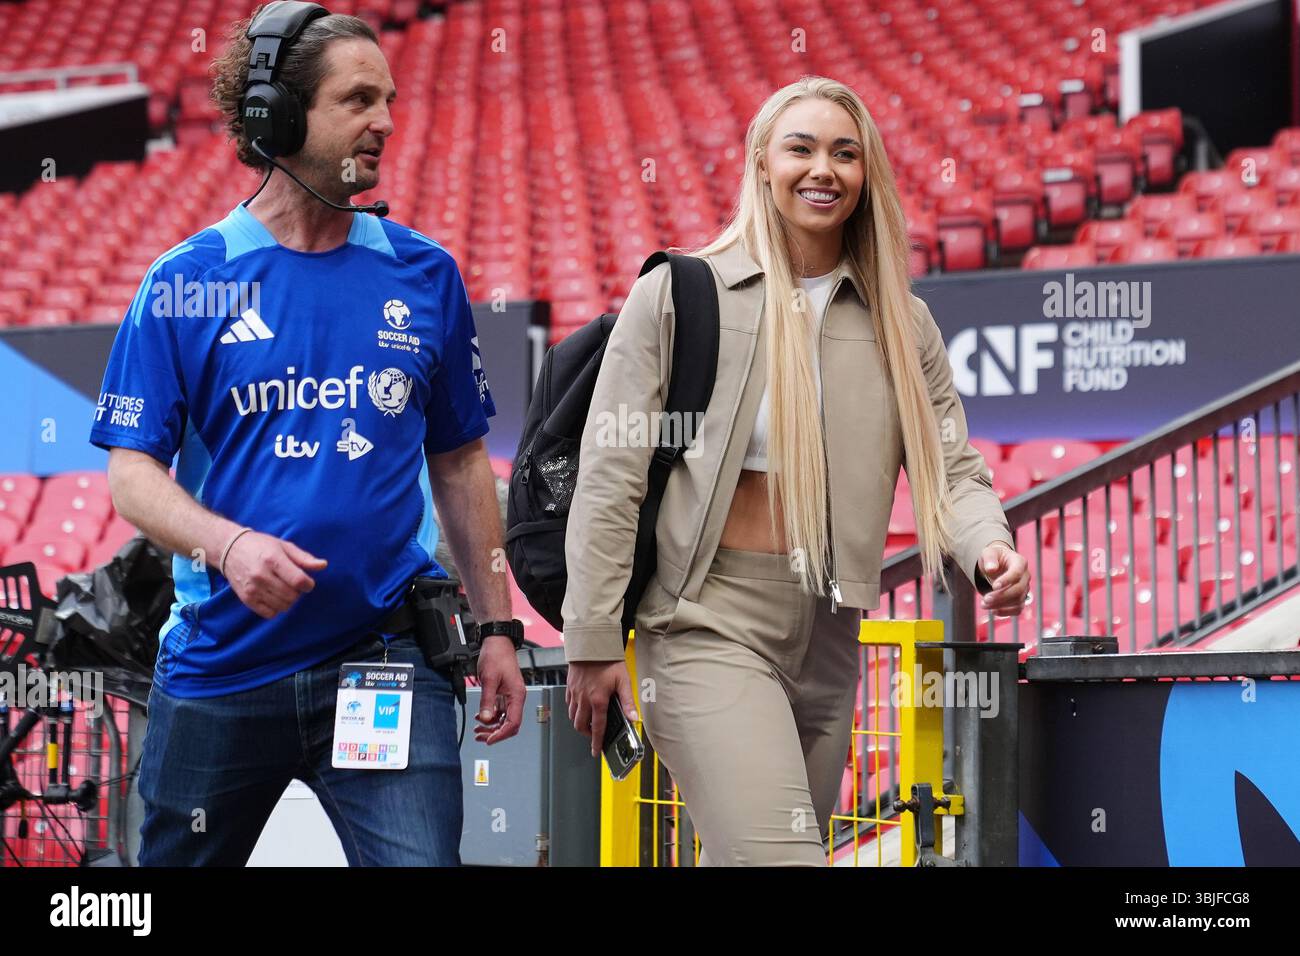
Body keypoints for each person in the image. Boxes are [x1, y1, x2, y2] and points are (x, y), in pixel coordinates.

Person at [89, 2, 526, 866]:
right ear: (278, 117)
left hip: (386, 657)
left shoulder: (424, 273)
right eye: (358, 100)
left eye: (390, 99)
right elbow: (132, 474)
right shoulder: (189, 281)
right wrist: (231, 546)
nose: (386, 123)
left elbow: (463, 460)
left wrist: (497, 626)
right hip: (220, 671)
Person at [561, 76, 1031, 866]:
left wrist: (989, 547)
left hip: (830, 631)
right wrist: (592, 638)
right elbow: (614, 475)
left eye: (846, 153)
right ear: (760, 162)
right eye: (802, 148)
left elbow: (952, 467)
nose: (825, 169)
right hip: (704, 622)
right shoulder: (679, 291)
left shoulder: (903, 322)